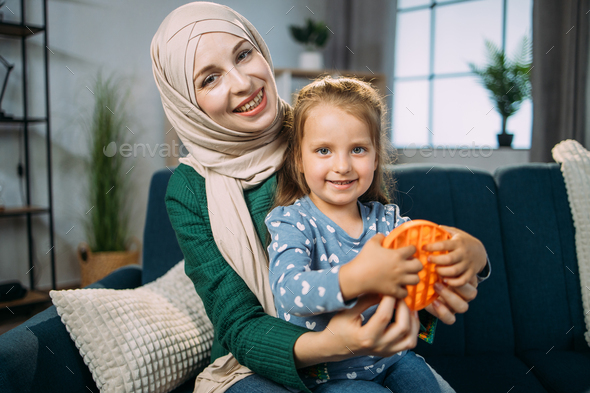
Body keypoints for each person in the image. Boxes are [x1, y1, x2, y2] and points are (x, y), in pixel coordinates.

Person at [151, 2, 489, 393]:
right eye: (209, 79)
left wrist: (470, 259)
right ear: (185, 101)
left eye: (244, 54)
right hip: (262, 358)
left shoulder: (322, 127)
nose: (242, 82)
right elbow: (239, 322)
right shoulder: (191, 190)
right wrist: (333, 344)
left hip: (373, 352)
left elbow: (387, 243)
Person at [265, 77, 487, 392]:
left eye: (357, 149)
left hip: (394, 359)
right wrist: (357, 276)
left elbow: (434, 253)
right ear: (299, 159)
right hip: (331, 374)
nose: (342, 166)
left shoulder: (388, 221)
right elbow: (288, 290)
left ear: (376, 157)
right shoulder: (291, 221)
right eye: (324, 150)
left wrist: (474, 253)